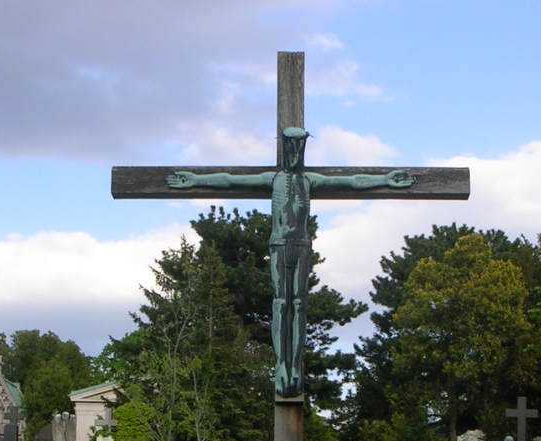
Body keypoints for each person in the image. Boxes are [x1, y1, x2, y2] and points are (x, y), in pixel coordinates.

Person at [167, 127, 414, 397]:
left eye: (299, 147)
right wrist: (195, 179)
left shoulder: (310, 180)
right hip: (278, 244)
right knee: (281, 303)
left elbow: (353, 180)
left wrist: (386, 180)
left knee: (298, 303)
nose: (295, 153)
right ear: (284, 149)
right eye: (291, 147)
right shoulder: (272, 179)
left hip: (301, 244)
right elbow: (228, 179)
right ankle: (281, 365)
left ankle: (294, 366)